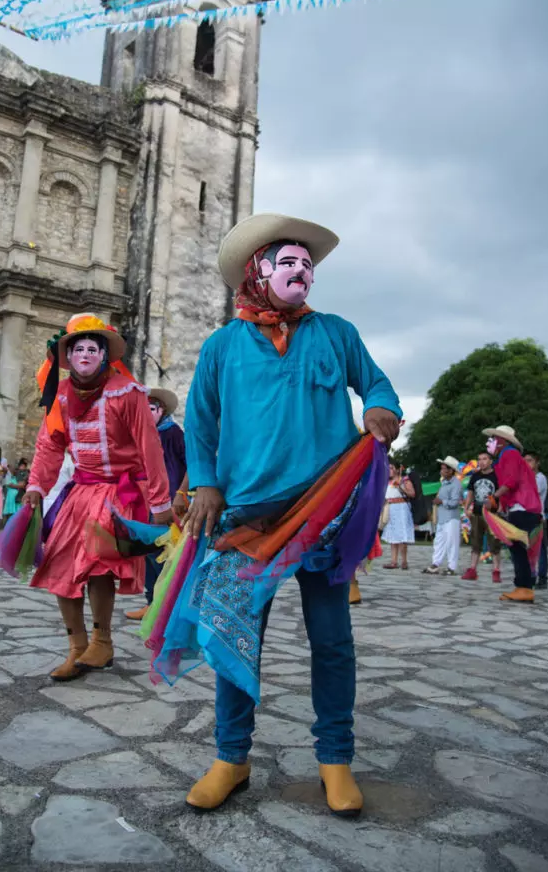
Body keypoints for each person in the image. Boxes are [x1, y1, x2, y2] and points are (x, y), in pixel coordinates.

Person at [170, 213, 401, 817]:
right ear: (258, 272)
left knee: (332, 643)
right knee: (235, 640)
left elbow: (377, 384)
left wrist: (381, 409)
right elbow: (201, 424)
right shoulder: (222, 346)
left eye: (307, 262)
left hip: (326, 514)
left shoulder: (337, 332)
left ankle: (335, 760)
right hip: (246, 518)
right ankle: (231, 758)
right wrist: (206, 484)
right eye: (288, 260)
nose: (302, 269)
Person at [21, 313, 173, 682]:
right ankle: (77, 647)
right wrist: (36, 486)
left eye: (93, 348)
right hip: (80, 492)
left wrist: (160, 504)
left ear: (104, 356)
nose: (86, 354)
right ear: (68, 356)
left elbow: (149, 447)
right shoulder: (59, 396)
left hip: (116, 494)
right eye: (79, 348)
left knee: (98, 563)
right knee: (57, 564)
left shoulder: (127, 392)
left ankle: (102, 641)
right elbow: (49, 445)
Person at [126, 387, 187, 622]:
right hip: (143, 499)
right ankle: (152, 602)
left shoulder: (174, 434)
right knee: (146, 552)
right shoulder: (138, 435)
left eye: (151, 408)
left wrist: (181, 494)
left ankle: (163, 604)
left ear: (161, 411)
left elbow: (192, 464)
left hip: (167, 502)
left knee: (160, 553)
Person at [483, 424, 542, 604]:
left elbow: (511, 481)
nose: (490, 442)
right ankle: (523, 586)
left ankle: (524, 587)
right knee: (518, 548)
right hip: (521, 507)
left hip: (523, 507)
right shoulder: (506, 457)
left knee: (518, 548)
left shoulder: (509, 454)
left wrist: (494, 497)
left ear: (502, 441)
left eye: (493, 439)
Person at [462, 451, 501, 583]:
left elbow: (502, 493)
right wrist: (466, 507)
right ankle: (472, 569)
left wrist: (500, 509)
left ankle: (496, 571)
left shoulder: (497, 475)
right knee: (475, 542)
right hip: (477, 513)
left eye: (485, 459)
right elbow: (471, 493)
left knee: (494, 543)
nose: (482, 462)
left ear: (490, 461)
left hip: (492, 514)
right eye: (479, 459)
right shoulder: (475, 476)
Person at [423, 457, 462, 575]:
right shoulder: (443, 483)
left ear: (451, 471)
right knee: (438, 541)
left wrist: (441, 501)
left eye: (444, 469)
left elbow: (455, 502)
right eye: (442, 468)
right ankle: (435, 564)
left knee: (452, 543)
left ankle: (451, 567)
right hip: (442, 517)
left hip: (451, 518)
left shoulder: (456, 484)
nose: (442, 471)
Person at [381, 461, 415, 571]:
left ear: (396, 469)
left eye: (391, 468)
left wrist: (400, 487)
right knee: (393, 535)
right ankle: (394, 561)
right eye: (388, 468)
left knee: (402, 535)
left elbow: (412, 494)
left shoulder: (404, 480)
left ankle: (404, 561)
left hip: (401, 507)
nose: (389, 470)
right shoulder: (386, 482)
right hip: (390, 508)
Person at [525, 453, 548, 588]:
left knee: (540, 550)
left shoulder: (540, 478)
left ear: (537, 463)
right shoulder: (524, 477)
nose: (527, 463)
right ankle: (531, 575)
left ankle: (543, 577)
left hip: (537, 517)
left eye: (530, 460)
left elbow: (530, 492)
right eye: (525, 461)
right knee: (528, 549)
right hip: (525, 517)